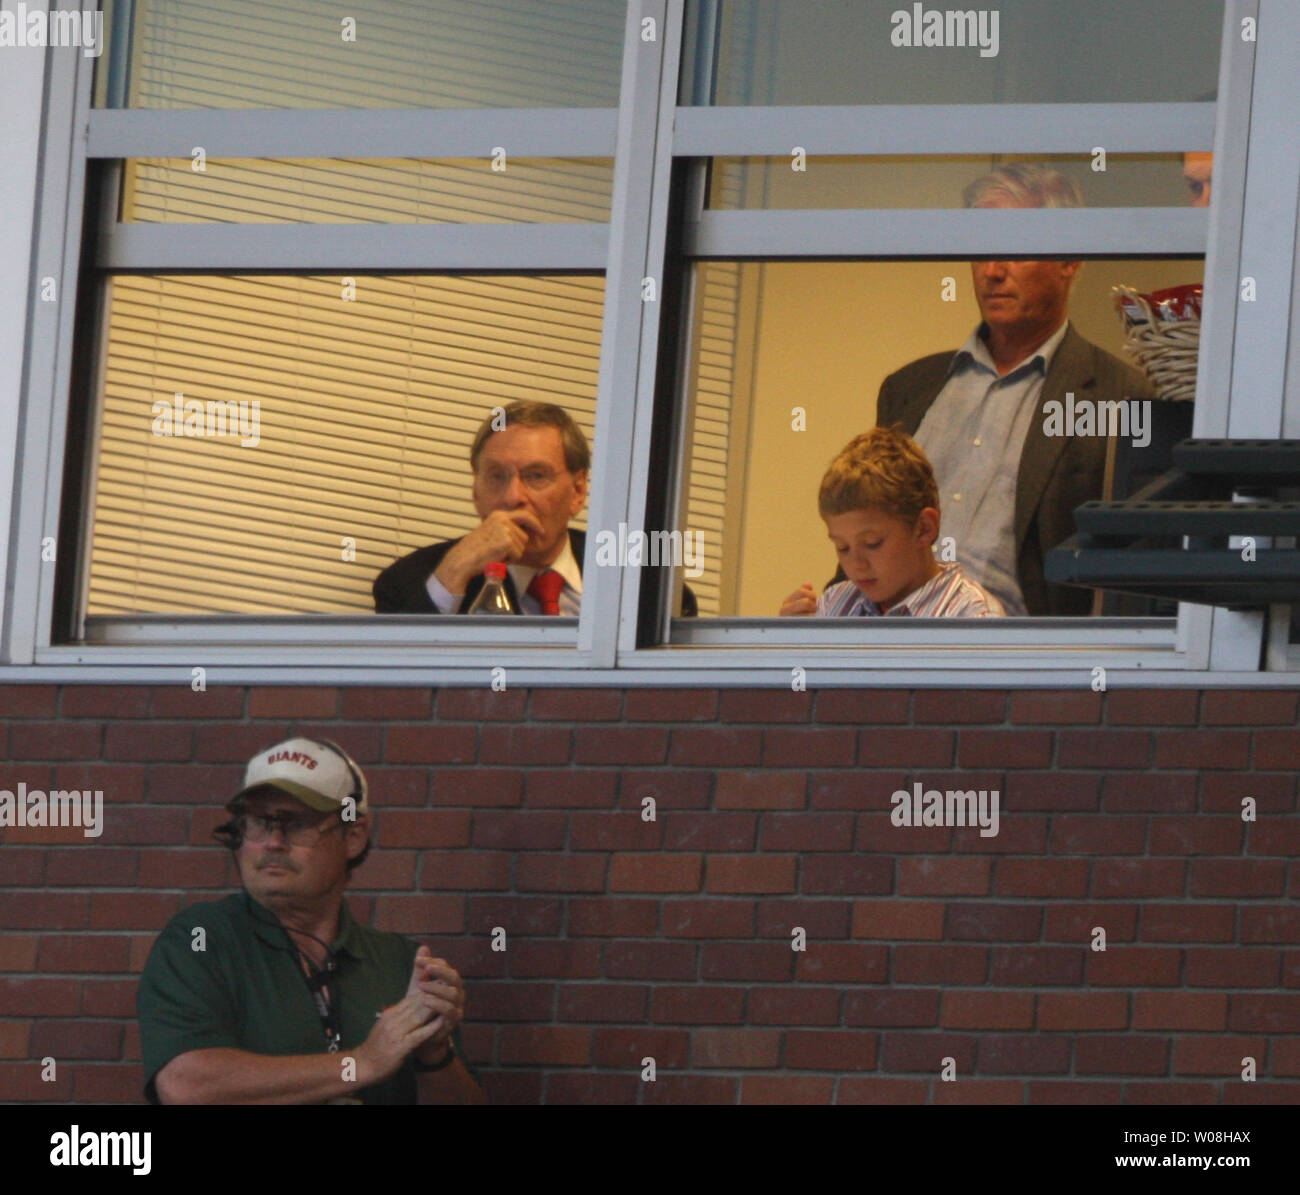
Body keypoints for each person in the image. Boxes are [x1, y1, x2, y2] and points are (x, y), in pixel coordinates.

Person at [137, 737, 484, 1105]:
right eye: (258, 822)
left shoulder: (402, 963)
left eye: (296, 822)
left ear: (353, 835)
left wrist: (434, 1055)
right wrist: (362, 1062)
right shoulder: (201, 938)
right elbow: (187, 1087)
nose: (272, 842)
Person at [872, 163, 1154, 616]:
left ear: (1069, 260)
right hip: (892, 643)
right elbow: (866, 526)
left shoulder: (1122, 396)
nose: (992, 271)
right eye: (982, 251)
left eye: (1015, 250)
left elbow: (1136, 569)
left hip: (1024, 658)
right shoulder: (909, 388)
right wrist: (827, 608)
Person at [373, 399, 697, 616]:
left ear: (578, 490)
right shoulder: (407, 583)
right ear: (475, 491)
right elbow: (401, 690)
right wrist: (456, 569)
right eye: (497, 476)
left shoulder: (646, 586)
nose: (513, 497)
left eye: (536, 476)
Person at [782, 427, 1002, 618]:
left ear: (924, 528)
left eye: (872, 543)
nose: (856, 565)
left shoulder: (975, 618)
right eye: (843, 548)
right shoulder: (834, 606)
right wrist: (787, 644)